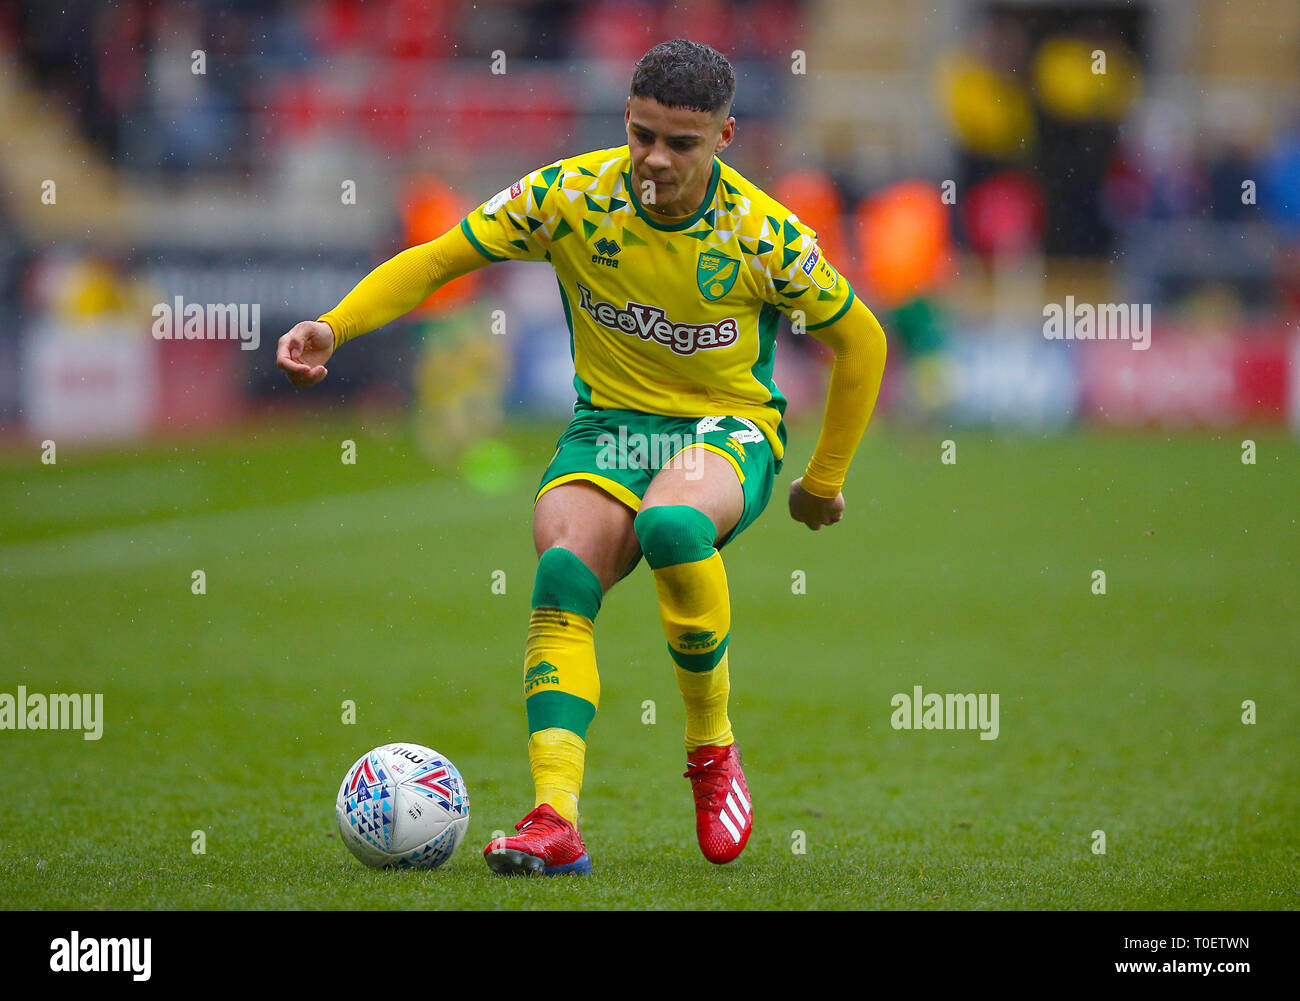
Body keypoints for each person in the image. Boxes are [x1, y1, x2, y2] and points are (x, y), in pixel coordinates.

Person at [277, 39, 887, 875]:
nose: (654, 159)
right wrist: (333, 325)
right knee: (563, 570)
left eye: (682, 142)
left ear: (726, 137)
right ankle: (554, 817)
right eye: (641, 134)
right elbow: (441, 258)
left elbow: (862, 341)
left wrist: (824, 479)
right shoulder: (570, 196)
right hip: (608, 429)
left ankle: (712, 750)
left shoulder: (763, 235)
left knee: (674, 524)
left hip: (724, 428)